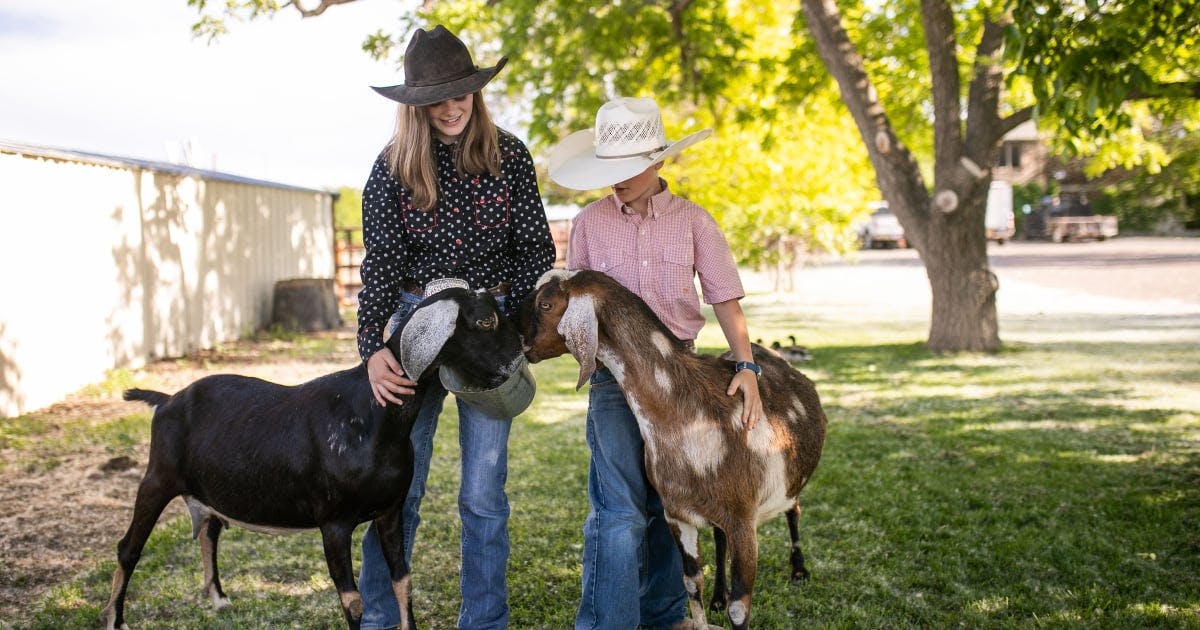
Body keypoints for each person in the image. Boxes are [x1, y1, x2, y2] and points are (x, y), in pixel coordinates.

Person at [355, 25, 556, 630]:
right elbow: (382, 264)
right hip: (413, 331)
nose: (451, 106)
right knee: (397, 489)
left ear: (476, 91)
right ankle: (380, 619)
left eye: (461, 92)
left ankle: (485, 621)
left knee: (483, 495)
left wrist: (509, 326)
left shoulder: (509, 155)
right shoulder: (392, 168)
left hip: (486, 331)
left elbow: (534, 250)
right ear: (415, 104)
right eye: (437, 97)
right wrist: (372, 348)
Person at [547, 96, 763, 630]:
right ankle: (609, 623)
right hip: (611, 383)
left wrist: (748, 369)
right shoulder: (589, 224)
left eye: (627, 169)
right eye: (608, 169)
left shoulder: (694, 222)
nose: (615, 180)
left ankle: (667, 615)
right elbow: (581, 309)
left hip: (683, 380)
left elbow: (725, 300)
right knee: (619, 511)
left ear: (659, 162)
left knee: (674, 504)